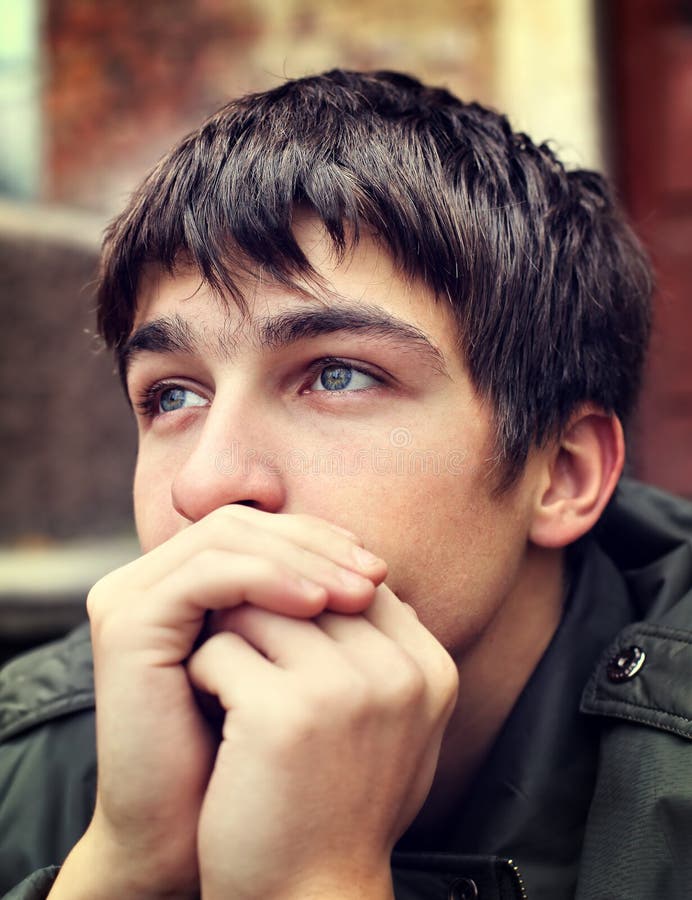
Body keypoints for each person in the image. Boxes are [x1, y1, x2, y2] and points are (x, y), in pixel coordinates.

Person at [1, 69, 691, 900]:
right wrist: (124, 865)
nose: (210, 484)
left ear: (563, 475)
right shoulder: (32, 757)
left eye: (336, 376)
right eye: (171, 396)